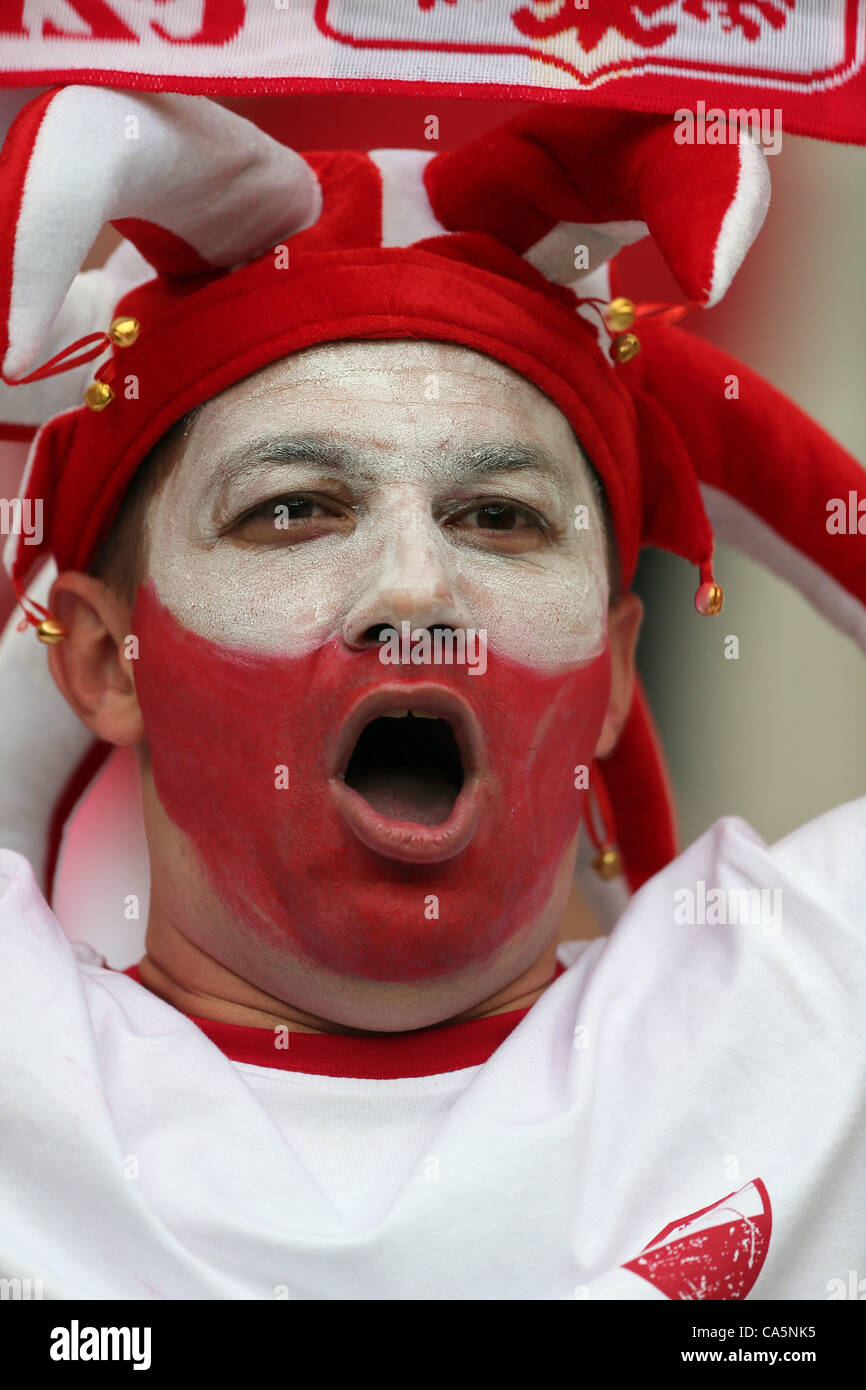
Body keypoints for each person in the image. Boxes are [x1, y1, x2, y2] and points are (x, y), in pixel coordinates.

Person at [0, 86, 863, 1300]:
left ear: (614, 670)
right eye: (292, 507)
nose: (415, 590)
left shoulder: (808, 1010)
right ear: (100, 658)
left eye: (500, 517)